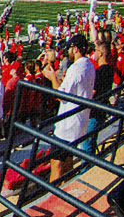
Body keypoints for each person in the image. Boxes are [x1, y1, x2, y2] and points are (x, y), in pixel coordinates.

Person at [41, 32, 96, 183]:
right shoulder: (89, 64)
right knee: (68, 161)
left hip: (68, 125)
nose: (68, 52)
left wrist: (52, 77)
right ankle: (67, 189)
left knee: (56, 164)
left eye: (70, 49)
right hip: (79, 122)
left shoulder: (76, 68)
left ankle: (53, 194)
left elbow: (61, 96)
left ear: (75, 49)